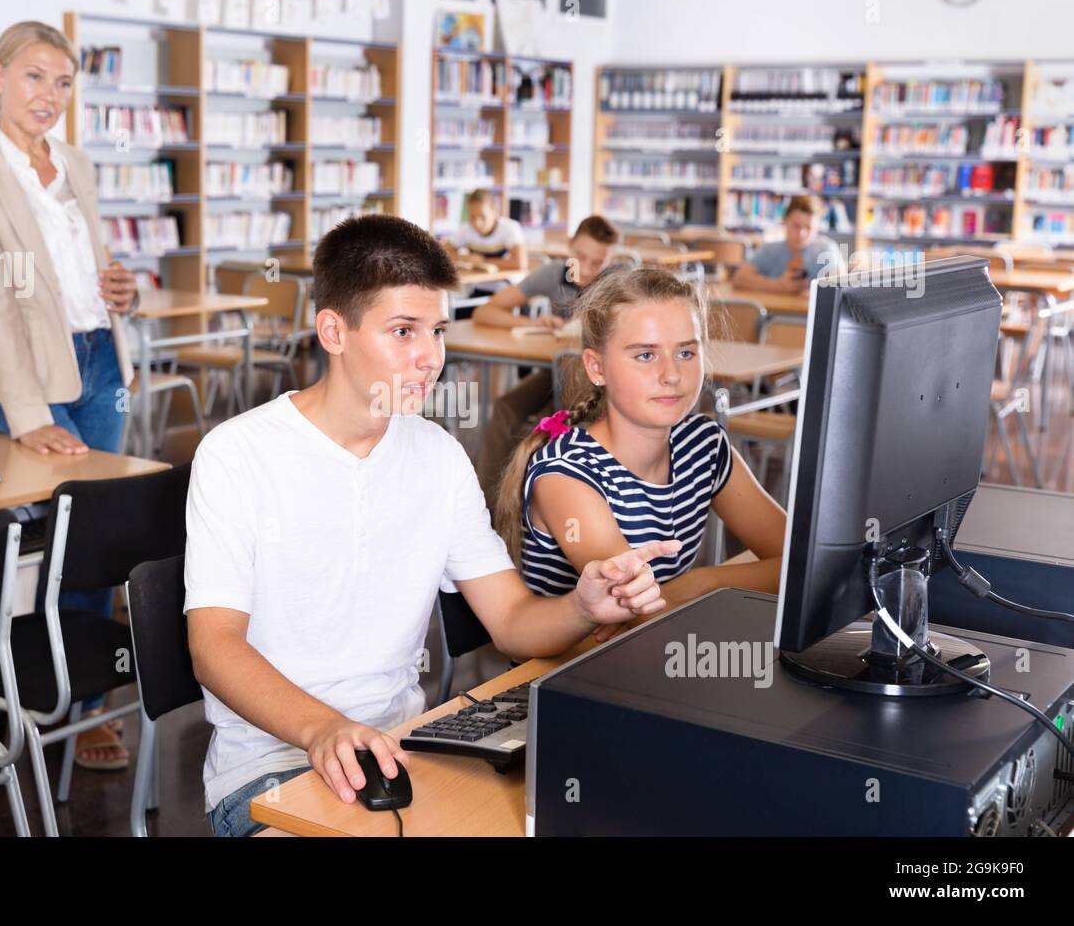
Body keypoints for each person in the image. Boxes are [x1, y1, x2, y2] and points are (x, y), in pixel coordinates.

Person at [184, 215, 680, 837]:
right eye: (403, 331)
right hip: (268, 770)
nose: (430, 357)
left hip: (406, 750)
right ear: (333, 331)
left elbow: (513, 622)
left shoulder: (438, 454)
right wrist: (323, 729)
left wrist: (585, 606)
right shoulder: (236, 455)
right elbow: (214, 647)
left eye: (438, 330)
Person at [0, 20, 139, 769]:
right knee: (50, 538)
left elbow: (95, 269)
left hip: (99, 365)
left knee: (95, 541)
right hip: (30, 380)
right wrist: (27, 421)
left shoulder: (76, 164)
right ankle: (21, 695)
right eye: (34, 76)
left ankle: (79, 709)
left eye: (62, 82)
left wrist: (124, 291)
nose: (49, 95)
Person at [494, 264, 785, 644]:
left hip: (655, 653)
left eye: (685, 352)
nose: (671, 374)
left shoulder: (704, 445)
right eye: (645, 356)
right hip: (567, 675)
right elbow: (638, 611)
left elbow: (802, 566)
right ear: (596, 367)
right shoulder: (566, 474)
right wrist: (677, 597)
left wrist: (704, 582)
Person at [473, 215, 620, 509]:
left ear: (612, 260)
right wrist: (534, 322)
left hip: (610, 381)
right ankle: (486, 509)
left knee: (584, 418)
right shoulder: (554, 274)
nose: (587, 269)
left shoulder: (619, 280)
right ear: (569, 247)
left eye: (598, 262)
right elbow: (485, 312)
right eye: (580, 256)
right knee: (505, 408)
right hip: (558, 373)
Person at [731, 194, 843, 295]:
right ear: (785, 220)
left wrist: (815, 294)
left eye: (808, 228)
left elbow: (841, 288)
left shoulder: (827, 249)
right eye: (796, 226)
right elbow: (738, 279)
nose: (801, 234)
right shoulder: (770, 249)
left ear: (817, 227)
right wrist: (778, 285)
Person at [444, 188, 528, 273]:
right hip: (474, 282)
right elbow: (441, 254)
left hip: (504, 282)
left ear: (494, 212)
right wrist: (464, 258)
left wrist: (483, 261)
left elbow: (520, 263)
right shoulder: (466, 229)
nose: (477, 223)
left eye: (483, 217)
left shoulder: (510, 228)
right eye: (472, 217)